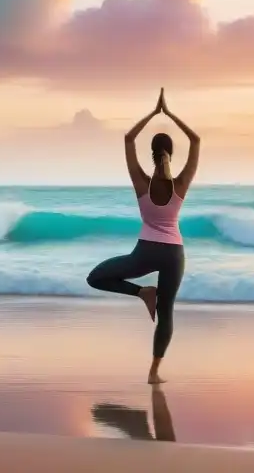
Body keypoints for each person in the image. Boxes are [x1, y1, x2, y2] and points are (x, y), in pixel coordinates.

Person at [86, 87, 200, 384]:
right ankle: (154, 372)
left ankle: (142, 292)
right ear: (172, 154)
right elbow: (196, 140)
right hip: (174, 253)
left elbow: (127, 139)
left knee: (95, 277)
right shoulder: (182, 183)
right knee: (167, 312)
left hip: (146, 252)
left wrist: (153, 113)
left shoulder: (141, 182)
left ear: (151, 154)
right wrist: (169, 114)